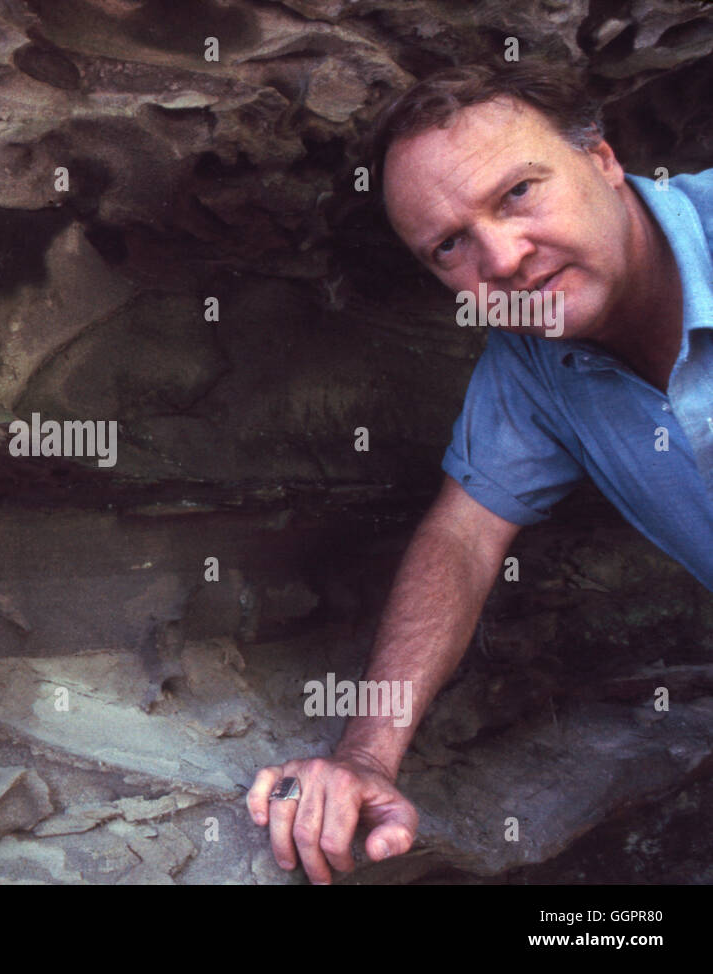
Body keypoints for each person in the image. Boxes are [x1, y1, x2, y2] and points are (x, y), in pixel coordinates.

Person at [247, 62, 713, 884]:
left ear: (603, 160)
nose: (502, 259)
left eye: (519, 193)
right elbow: (461, 536)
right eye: (450, 245)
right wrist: (366, 757)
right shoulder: (531, 366)